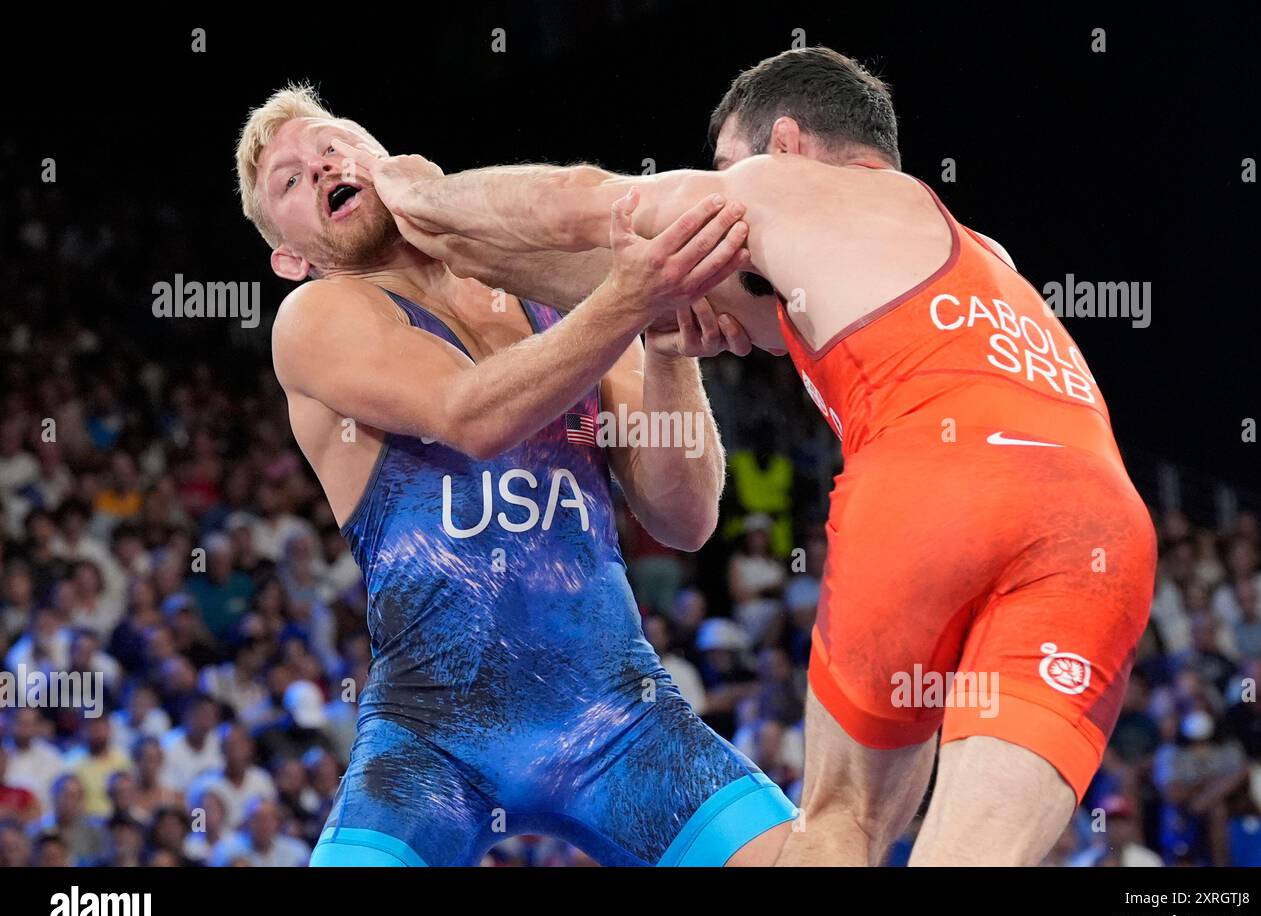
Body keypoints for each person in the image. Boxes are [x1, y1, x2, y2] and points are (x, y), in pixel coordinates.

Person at [353, 45, 1158, 865]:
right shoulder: (974, 254)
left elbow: (588, 209)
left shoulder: (773, 184)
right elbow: (640, 282)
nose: (722, 194)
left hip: (935, 485)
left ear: (782, 143)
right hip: (1101, 528)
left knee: (844, 826)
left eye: (725, 167)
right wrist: (639, 300)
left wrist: (420, 197)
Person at [232, 86, 796, 866]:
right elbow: (472, 417)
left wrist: (666, 349)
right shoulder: (315, 319)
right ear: (289, 258)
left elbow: (685, 516)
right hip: (430, 743)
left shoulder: (553, 296)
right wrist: (629, 295)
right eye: (289, 180)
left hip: (620, 717)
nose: (320, 162)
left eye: (334, 142)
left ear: (387, 164)